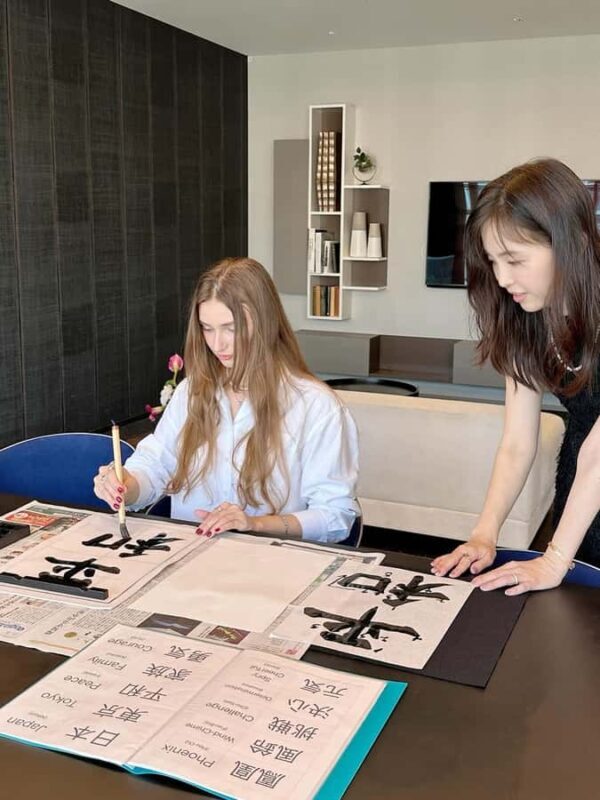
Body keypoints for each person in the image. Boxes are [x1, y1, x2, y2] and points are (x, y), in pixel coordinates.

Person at [93, 257, 359, 543]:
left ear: (265, 322)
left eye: (230, 328)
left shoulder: (316, 407)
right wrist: (127, 485)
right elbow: (156, 466)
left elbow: (335, 516)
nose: (217, 344)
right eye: (207, 328)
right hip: (189, 560)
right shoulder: (192, 392)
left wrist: (253, 523)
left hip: (271, 566)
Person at [431, 158, 600, 594]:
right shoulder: (527, 318)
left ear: (572, 242)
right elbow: (517, 442)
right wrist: (485, 534)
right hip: (582, 481)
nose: (503, 278)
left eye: (514, 259)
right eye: (493, 261)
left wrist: (555, 558)